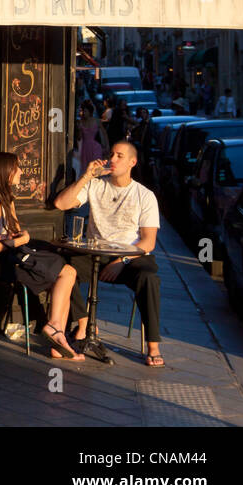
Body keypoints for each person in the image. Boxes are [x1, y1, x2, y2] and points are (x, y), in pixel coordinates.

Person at [53, 141, 165, 367]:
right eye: (111, 154)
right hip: (95, 253)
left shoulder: (145, 195)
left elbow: (148, 242)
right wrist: (86, 176)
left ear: (132, 162)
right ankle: (85, 325)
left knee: (149, 277)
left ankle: (153, 345)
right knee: (63, 267)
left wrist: (121, 261)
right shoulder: (96, 185)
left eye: (119, 156)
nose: (112, 159)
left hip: (130, 256)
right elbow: (61, 203)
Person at [0, 152, 86, 360]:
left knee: (67, 274)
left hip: (12, 256)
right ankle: (55, 330)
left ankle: (56, 337)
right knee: (66, 274)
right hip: (0, 264)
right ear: (6, 172)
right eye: (17, 168)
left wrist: (20, 236)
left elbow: (15, 230)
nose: (21, 172)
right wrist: (20, 240)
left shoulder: (7, 199)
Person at [77, 103, 107, 169]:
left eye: (85, 111)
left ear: (90, 112)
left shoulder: (97, 121)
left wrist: (106, 147)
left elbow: (104, 134)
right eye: (82, 111)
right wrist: (79, 129)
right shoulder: (80, 122)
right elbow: (79, 138)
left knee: (96, 167)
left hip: (95, 147)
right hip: (84, 148)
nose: (83, 113)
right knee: (86, 169)